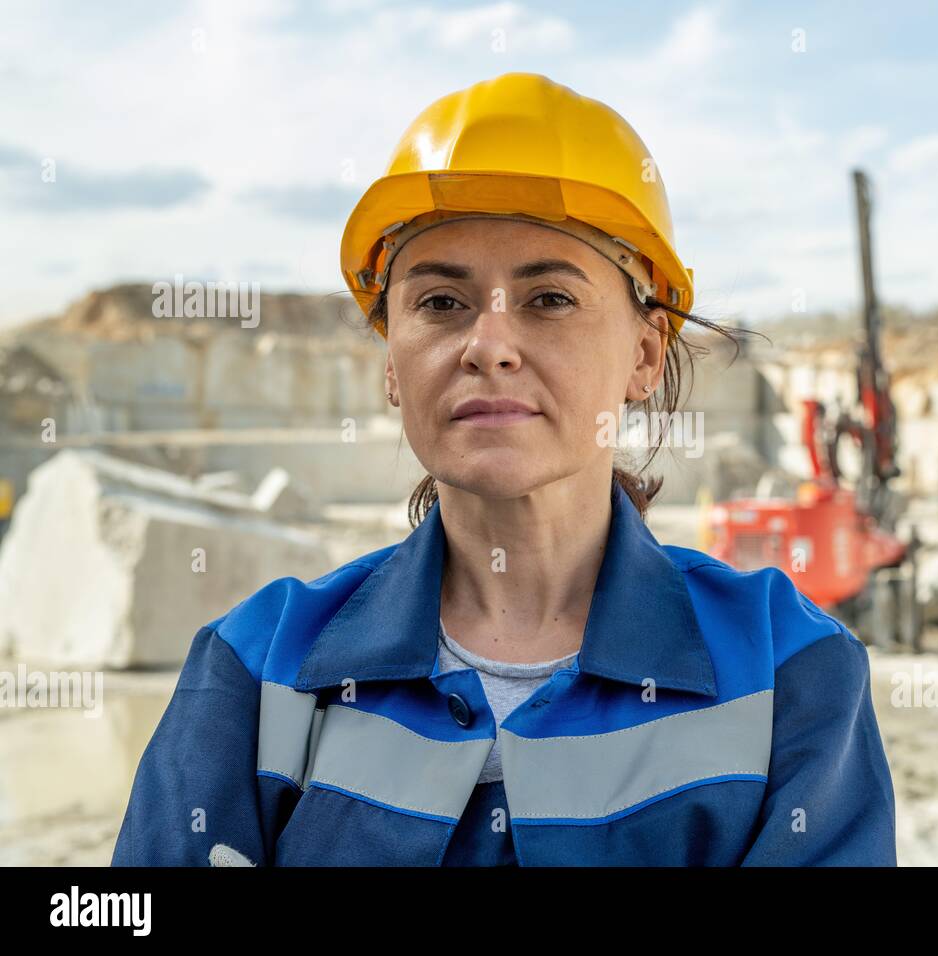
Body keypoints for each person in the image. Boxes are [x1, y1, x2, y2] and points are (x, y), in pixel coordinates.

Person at [111, 72, 896, 866]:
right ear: (391, 362)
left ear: (646, 353)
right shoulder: (256, 668)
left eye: (550, 298)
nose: (488, 344)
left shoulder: (787, 670)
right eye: (440, 303)